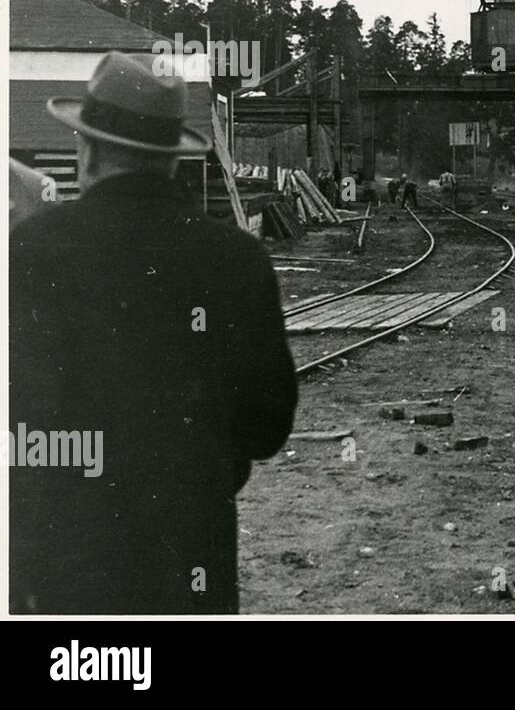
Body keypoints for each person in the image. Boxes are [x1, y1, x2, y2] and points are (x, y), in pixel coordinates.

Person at [9, 51, 299, 615]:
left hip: (59, 566)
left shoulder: (30, 251)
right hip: (189, 556)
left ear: (85, 148)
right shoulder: (237, 260)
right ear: (172, 159)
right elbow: (266, 428)